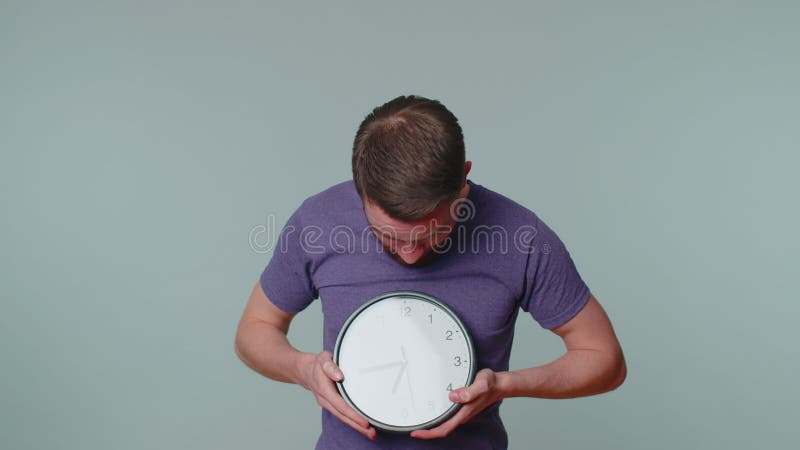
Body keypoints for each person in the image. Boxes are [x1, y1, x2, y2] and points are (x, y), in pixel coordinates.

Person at [234, 95, 626, 449]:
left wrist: (504, 385)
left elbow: (604, 359)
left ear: (462, 181)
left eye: (431, 234)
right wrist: (302, 369)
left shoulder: (521, 237)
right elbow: (255, 329)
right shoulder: (316, 222)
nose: (408, 257)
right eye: (388, 237)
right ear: (361, 188)